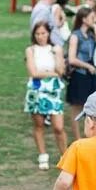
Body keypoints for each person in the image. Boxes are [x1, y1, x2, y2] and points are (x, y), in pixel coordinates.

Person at [25, 21, 68, 170]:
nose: (40, 37)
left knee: (58, 127)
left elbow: (61, 71)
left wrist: (56, 59)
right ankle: (42, 155)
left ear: (48, 34)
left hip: (53, 91)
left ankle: (65, 156)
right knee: (39, 124)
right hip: (37, 91)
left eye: (43, 33)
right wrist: (52, 73)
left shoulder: (56, 49)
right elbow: (33, 72)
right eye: (37, 34)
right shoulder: (30, 50)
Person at [65, 7, 96, 139]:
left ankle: (91, 135)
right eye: (91, 18)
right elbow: (72, 59)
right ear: (84, 20)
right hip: (79, 74)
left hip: (91, 74)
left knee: (93, 105)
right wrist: (87, 66)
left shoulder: (91, 35)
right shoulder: (75, 36)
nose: (94, 20)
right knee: (77, 107)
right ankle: (77, 138)